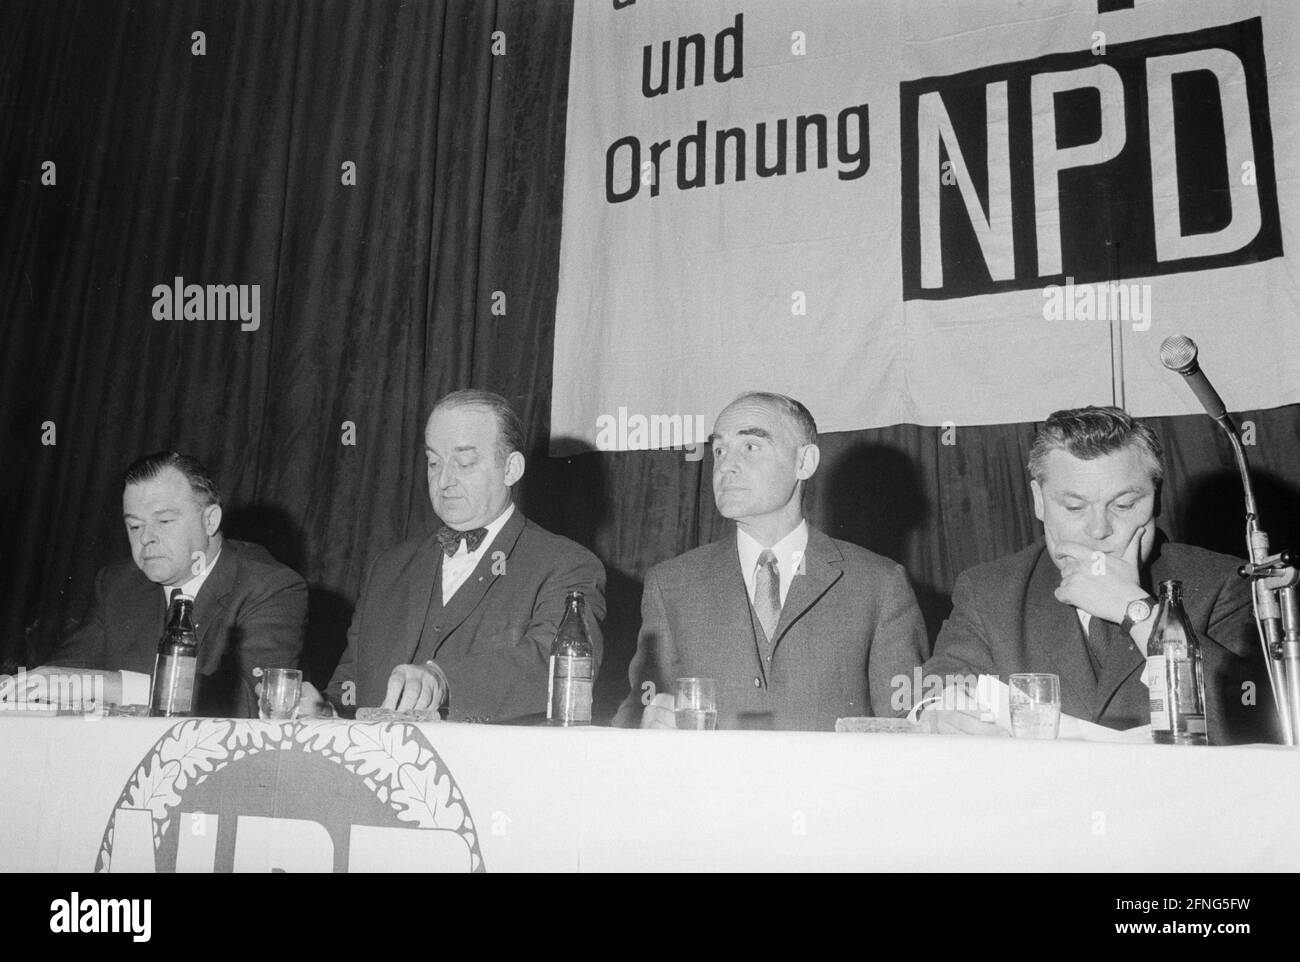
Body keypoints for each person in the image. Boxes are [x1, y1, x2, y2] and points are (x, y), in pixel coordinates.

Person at [920, 406, 1277, 744]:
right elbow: (938, 688)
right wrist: (938, 712)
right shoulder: (989, 592)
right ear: (1039, 501)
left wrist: (1137, 611)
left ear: (1157, 498)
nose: (1098, 529)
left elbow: (1250, 718)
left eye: (1123, 505)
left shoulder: (1221, 582)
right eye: (1074, 507)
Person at [614, 392, 929, 731]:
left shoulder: (878, 584)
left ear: (804, 462)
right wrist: (643, 727)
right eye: (719, 450)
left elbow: (908, 728)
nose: (725, 465)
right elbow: (638, 709)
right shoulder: (672, 584)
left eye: (750, 446)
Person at [301, 389, 606, 722]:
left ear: (511, 469)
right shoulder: (389, 567)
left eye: (464, 462)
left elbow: (555, 664)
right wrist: (326, 711)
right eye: (434, 462)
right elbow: (351, 683)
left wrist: (443, 679)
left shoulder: (566, 564)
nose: (444, 480)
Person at [0, 452, 306, 717]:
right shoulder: (118, 583)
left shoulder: (270, 586)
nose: (146, 538)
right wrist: (21, 687)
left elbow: (254, 704)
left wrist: (115, 687)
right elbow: (66, 672)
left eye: (164, 521)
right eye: (134, 525)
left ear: (210, 521)